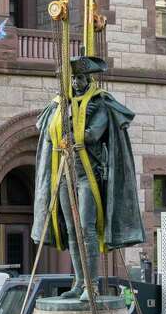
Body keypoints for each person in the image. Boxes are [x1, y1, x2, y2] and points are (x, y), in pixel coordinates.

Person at [31, 56, 145, 301]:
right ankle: (79, 282)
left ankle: (92, 285)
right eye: (72, 78)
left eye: (80, 77)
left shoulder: (99, 102)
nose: (76, 82)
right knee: (72, 230)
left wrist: (73, 129)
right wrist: (64, 118)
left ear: (89, 79)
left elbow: (92, 134)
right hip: (64, 174)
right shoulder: (59, 104)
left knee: (86, 228)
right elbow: (50, 134)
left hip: (87, 176)